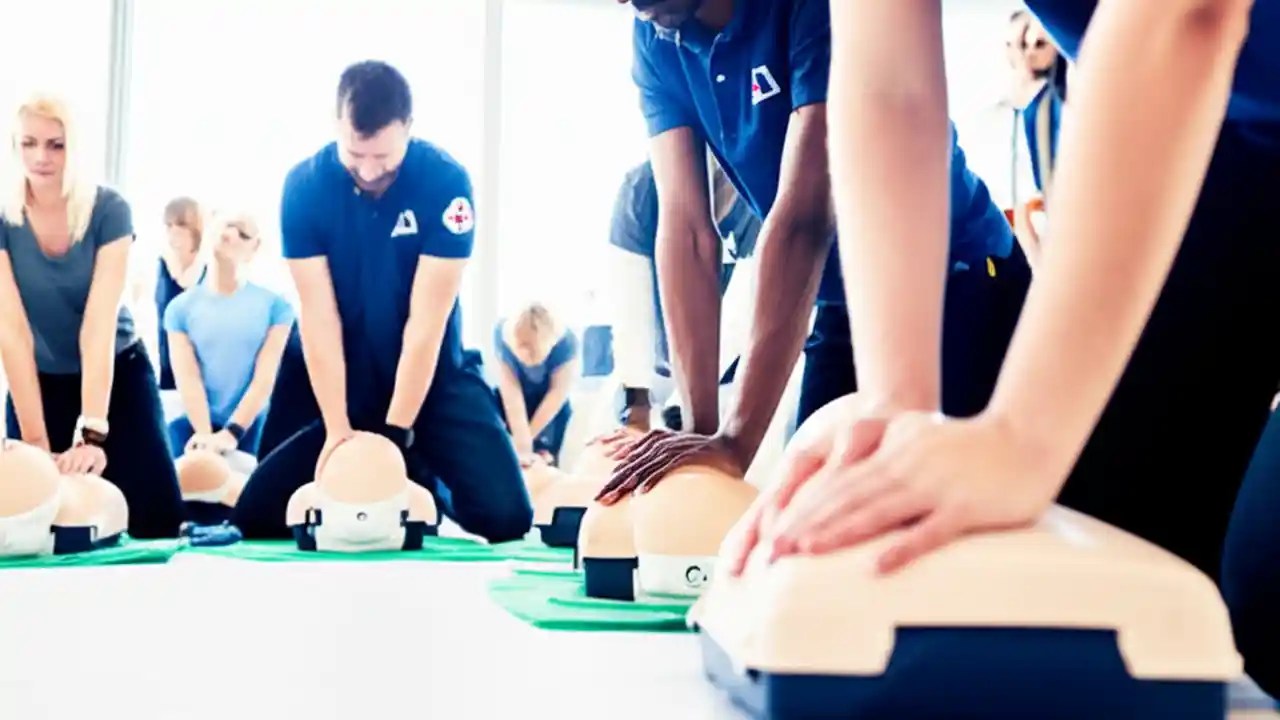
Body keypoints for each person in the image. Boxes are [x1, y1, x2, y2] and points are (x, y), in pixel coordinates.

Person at [748, 0, 1280, 698]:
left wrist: (1023, 436)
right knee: (1103, 569)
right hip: (1230, 139)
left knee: (1268, 582)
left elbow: (1185, 13)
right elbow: (889, 79)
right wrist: (897, 408)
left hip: (1206, 67)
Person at [599, 0, 1028, 498]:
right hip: (847, 300)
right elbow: (687, 230)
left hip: (963, 277)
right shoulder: (655, 35)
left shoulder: (813, 9)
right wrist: (701, 435)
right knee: (808, 505)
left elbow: (804, 217)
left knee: (928, 511)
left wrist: (737, 439)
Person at [232, 61, 533, 544]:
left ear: (408, 130)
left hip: (429, 372)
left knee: (506, 517)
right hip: (335, 374)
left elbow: (425, 325)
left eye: (384, 157)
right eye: (355, 154)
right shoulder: (304, 189)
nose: (370, 171)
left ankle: (424, 482)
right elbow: (318, 317)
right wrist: (336, 431)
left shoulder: (446, 184)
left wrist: (395, 440)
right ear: (336, 128)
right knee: (259, 520)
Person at [0, 93, 184, 539]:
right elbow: (12, 333)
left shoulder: (109, 210)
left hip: (117, 375)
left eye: (55, 145)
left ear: (74, 148)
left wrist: (93, 432)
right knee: (37, 520)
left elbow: (98, 326)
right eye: (29, 143)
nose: (40, 157)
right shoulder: (5, 217)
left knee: (157, 519)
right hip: (40, 381)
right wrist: (38, 445)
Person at [607, 155, 761, 432]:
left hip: (722, 378)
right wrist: (637, 403)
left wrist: (685, 404)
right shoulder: (641, 189)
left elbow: (741, 314)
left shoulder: (755, 195)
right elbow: (630, 308)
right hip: (652, 373)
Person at [163, 210, 293, 457]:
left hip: (253, 425)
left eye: (242, 233)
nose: (230, 234)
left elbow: (264, 379)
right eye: (225, 227)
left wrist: (232, 432)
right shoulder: (179, 309)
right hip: (197, 421)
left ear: (255, 248)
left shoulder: (276, 307)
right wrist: (204, 435)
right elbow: (189, 379)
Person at [493, 303, 579, 466]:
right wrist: (521, 445)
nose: (526, 357)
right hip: (514, 402)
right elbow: (511, 390)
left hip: (549, 405)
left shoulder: (567, 342)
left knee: (542, 457)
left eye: (533, 351)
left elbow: (557, 393)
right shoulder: (501, 333)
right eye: (521, 348)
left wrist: (529, 439)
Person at [154, 197, 207, 391]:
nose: (174, 232)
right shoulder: (163, 262)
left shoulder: (208, 265)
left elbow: (186, 281)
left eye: (181, 225)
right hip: (168, 357)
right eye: (169, 225)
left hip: (202, 362)